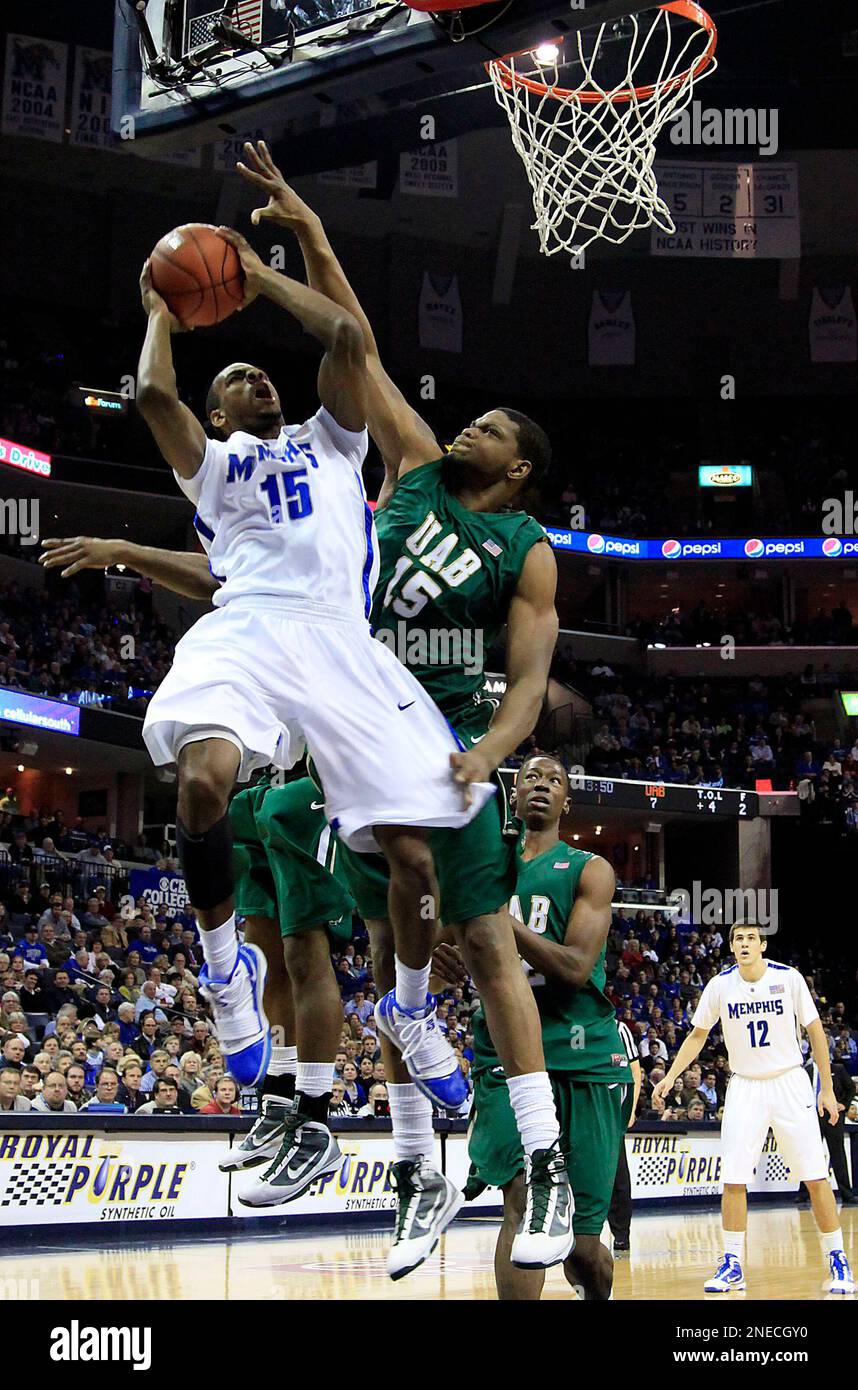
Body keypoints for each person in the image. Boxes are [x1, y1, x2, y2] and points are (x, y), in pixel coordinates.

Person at [235, 143, 569, 1273]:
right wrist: (299, 237)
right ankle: (420, 1169)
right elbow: (356, 340)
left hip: (444, 737)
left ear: (520, 471)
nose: (467, 427)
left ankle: (545, 1157)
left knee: (482, 939)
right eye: (469, 420)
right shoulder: (416, 471)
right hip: (357, 720)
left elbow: (528, 688)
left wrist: (491, 750)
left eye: (493, 430)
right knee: (388, 949)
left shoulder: (525, 546)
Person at [109, 220, 493, 1107]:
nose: (254, 377)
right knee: (203, 782)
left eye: (258, 371)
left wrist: (258, 276)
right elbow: (151, 395)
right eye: (236, 378)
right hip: (246, 626)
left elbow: (350, 339)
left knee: (413, 856)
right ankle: (222, 976)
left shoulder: (334, 440)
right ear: (219, 414)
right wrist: (160, 309)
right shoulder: (210, 465)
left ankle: (409, 1010)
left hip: (343, 642)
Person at [461, 752, 632, 1299]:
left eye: (554, 780)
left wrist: (496, 922)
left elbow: (576, 968)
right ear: (513, 793)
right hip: (506, 1057)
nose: (542, 785)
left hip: (581, 1055)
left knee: (584, 1251)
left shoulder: (588, 869)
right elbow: (449, 948)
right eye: (530, 776)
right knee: (521, 1200)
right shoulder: (482, 867)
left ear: (566, 800)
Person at [653, 922, 855, 1295]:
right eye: (738, 939)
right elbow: (698, 1035)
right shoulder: (720, 985)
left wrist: (826, 1088)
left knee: (814, 1176)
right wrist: (670, 1076)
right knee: (732, 1177)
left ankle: (838, 1260)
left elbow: (815, 1032)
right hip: (744, 1085)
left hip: (788, 1081)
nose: (744, 944)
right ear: (731, 946)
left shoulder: (788, 978)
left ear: (762, 945)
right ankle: (732, 1264)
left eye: (751, 939)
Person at [607, 1017, 642, 1257]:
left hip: (612, 1113)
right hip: (582, 1108)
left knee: (618, 1177)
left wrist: (631, 1108)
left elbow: (634, 1071)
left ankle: (621, 1237)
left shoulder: (619, 1029)